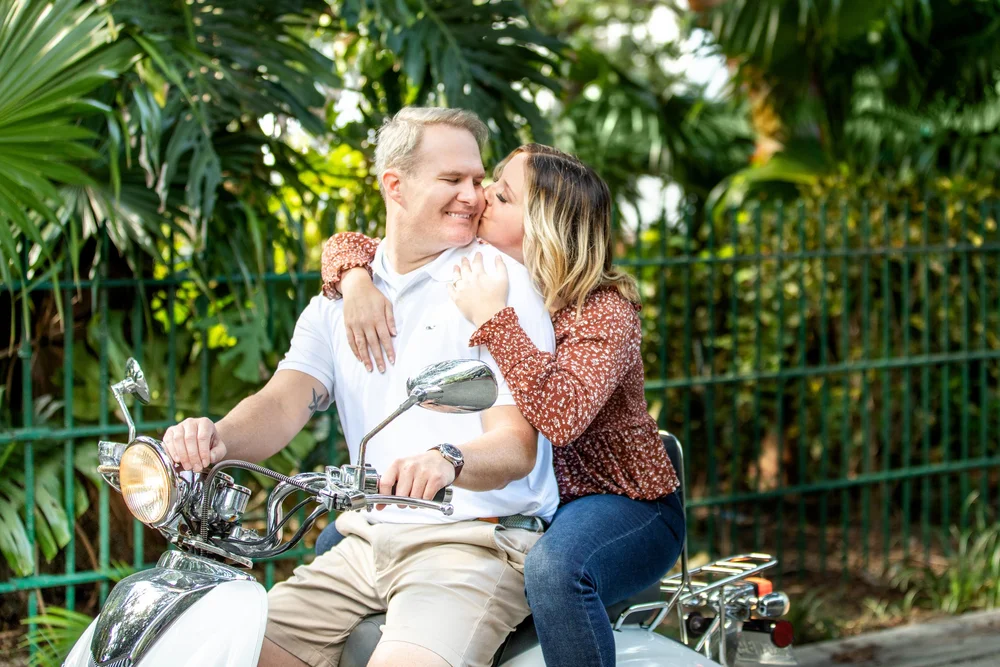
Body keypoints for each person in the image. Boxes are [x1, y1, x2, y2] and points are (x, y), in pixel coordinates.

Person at [162, 107, 560, 667]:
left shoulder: (496, 283)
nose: (472, 196)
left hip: (473, 544)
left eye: (477, 180)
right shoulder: (340, 299)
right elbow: (283, 401)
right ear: (395, 185)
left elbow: (517, 447)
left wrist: (448, 459)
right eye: (452, 179)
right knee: (230, 651)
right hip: (366, 541)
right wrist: (213, 439)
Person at [319, 143, 684, 667]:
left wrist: (495, 319)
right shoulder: (486, 268)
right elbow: (352, 242)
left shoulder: (603, 312)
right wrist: (355, 280)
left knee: (556, 571)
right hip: (527, 501)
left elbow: (560, 418)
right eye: (492, 181)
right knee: (336, 538)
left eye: (504, 195)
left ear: (545, 228)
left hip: (617, 500)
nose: (482, 195)